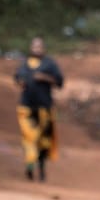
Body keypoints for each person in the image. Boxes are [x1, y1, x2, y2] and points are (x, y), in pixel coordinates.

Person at [13, 37, 63, 182]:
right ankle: (29, 166)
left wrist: (45, 78)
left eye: (39, 47)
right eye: (35, 47)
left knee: (44, 141)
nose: (37, 49)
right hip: (26, 108)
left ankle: (41, 170)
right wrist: (21, 82)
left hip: (45, 108)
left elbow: (59, 82)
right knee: (29, 138)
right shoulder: (24, 65)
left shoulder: (50, 64)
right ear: (31, 48)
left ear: (44, 48)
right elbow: (18, 79)